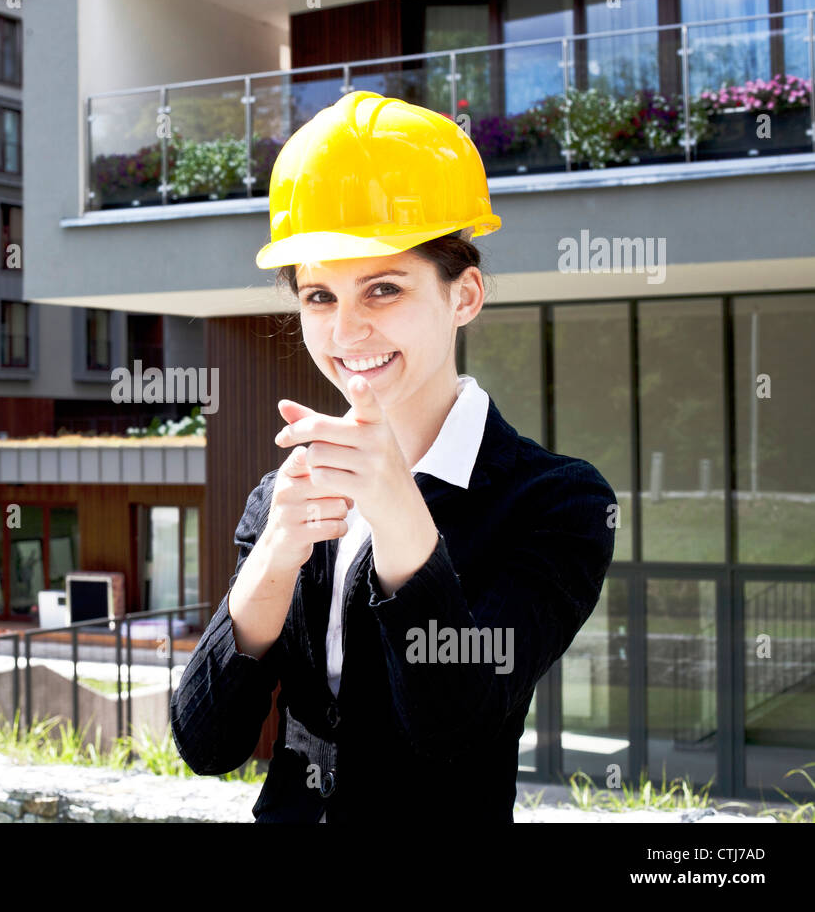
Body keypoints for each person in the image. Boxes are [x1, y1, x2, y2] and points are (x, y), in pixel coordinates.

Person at [169, 91, 618, 822]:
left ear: (464, 295)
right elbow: (206, 744)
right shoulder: (286, 494)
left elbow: (456, 729)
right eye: (319, 295)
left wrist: (399, 514)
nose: (348, 331)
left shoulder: (558, 503)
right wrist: (276, 556)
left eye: (383, 287)